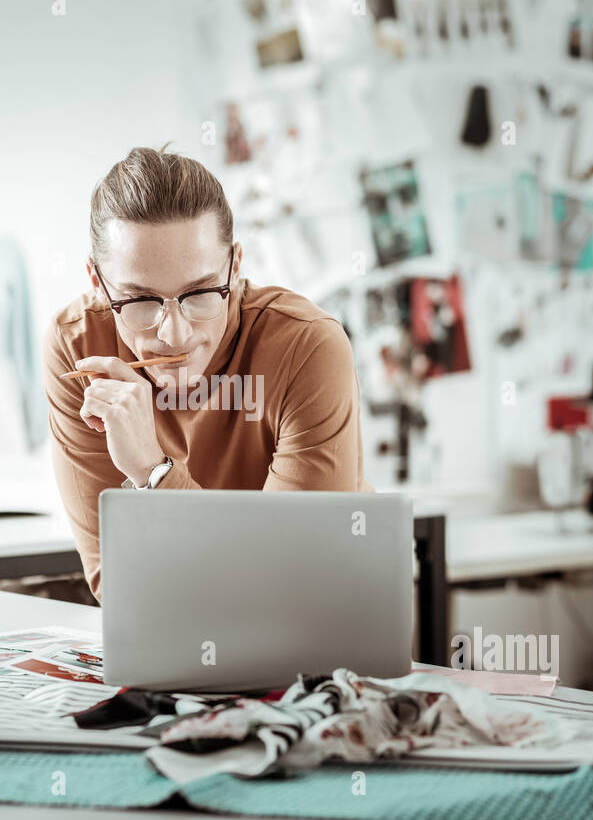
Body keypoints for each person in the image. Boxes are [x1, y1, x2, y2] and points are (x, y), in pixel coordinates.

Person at [43, 145, 373, 601]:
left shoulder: (307, 346)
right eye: (140, 301)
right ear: (97, 282)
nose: (175, 334)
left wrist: (153, 472)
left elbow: (297, 583)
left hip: (320, 646)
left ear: (235, 267)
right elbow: (120, 585)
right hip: (173, 644)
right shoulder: (76, 347)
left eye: (200, 293)